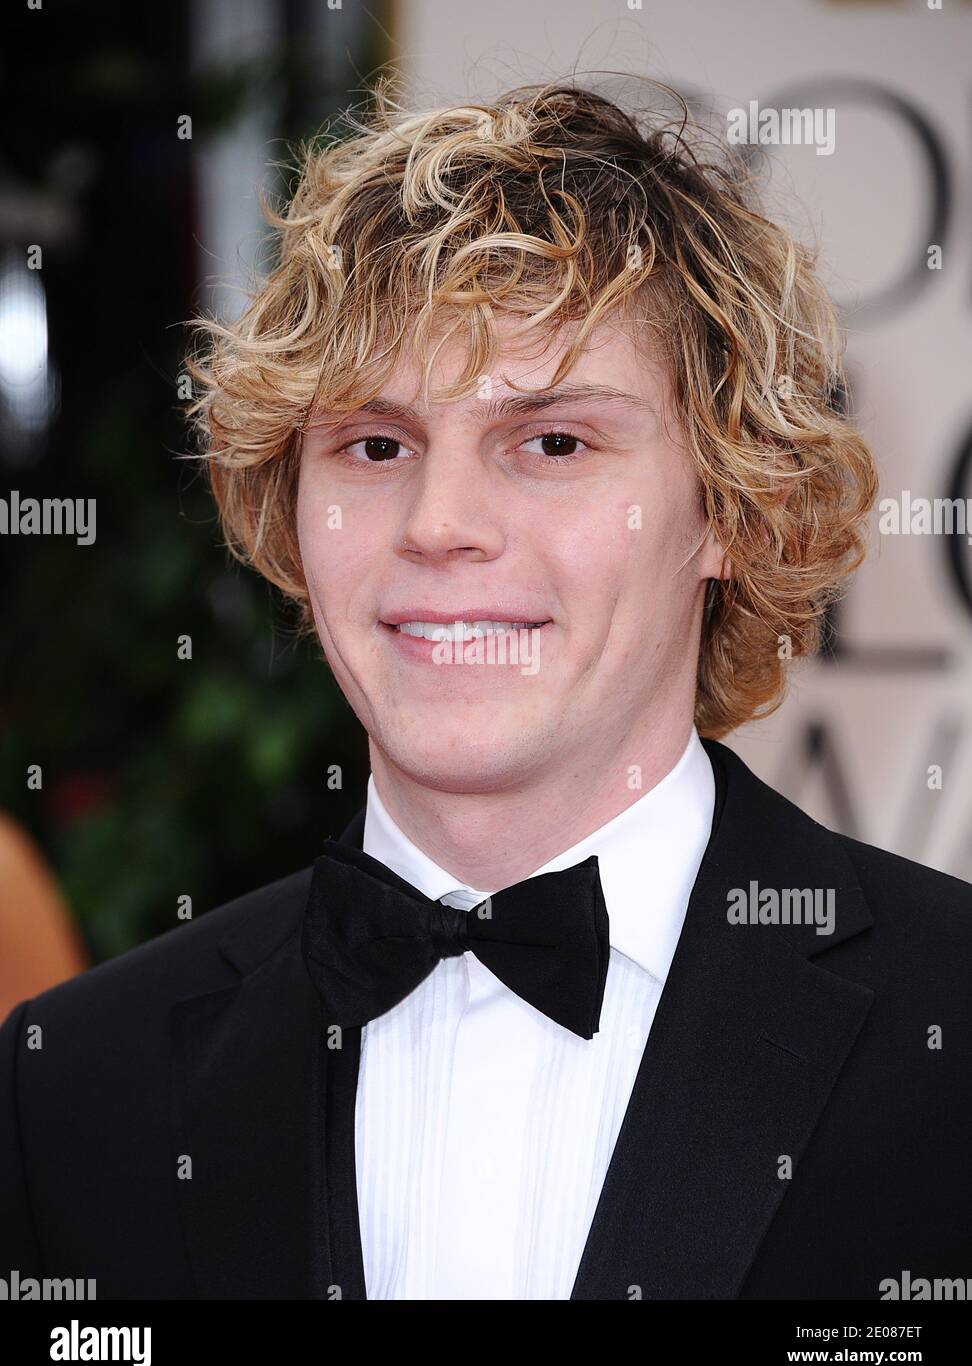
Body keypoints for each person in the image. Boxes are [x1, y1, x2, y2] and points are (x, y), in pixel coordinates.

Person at [1, 78, 969, 1301]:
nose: (441, 523)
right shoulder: (74, 1086)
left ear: (731, 503)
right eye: (375, 445)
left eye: (554, 442)